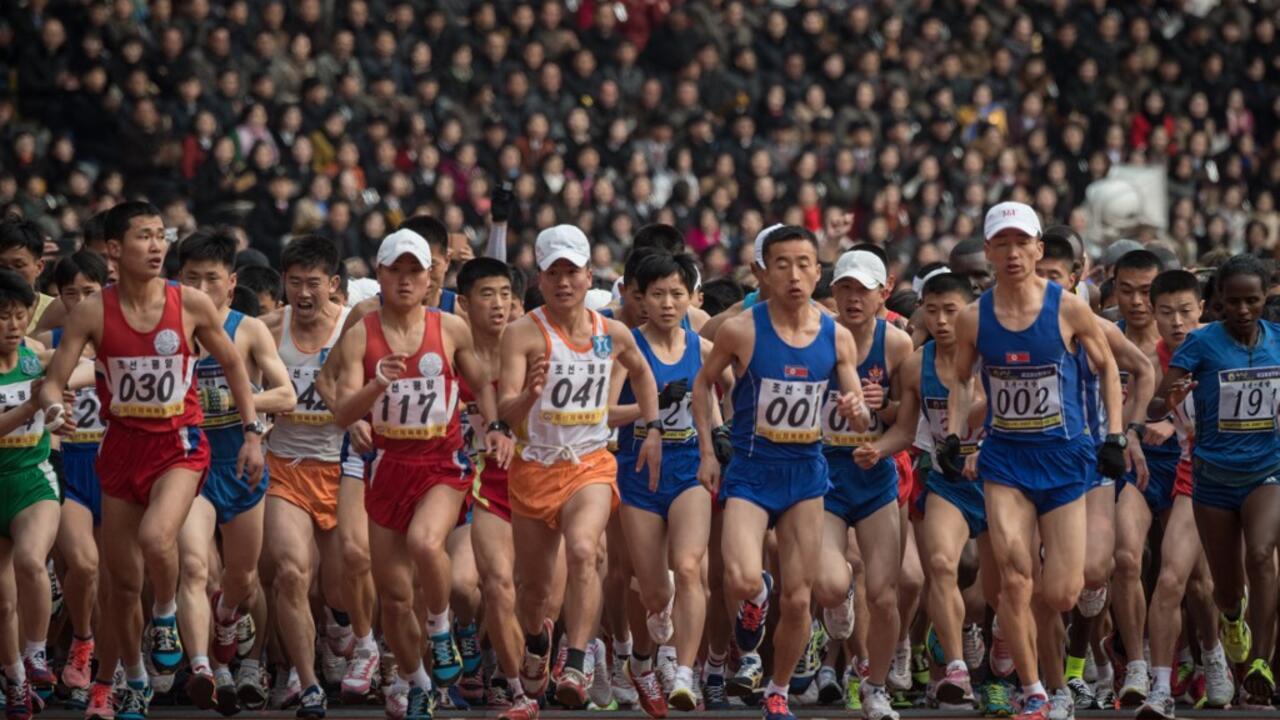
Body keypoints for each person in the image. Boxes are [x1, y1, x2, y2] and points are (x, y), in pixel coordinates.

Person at [39, 201, 266, 720]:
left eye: (161, 235)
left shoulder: (189, 304)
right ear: (115, 250)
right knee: (120, 587)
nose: (157, 245)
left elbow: (233, 367)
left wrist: (253, 433)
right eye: (144, 236)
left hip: (179, 446)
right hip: (121, 448)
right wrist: (53, 406)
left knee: (157, 539)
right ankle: (127, 682)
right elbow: (56, 374)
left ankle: (165, 613)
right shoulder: (94, 311)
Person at [938, 202, 1125, 720]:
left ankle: (1045, 658)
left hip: (1065, 460)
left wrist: (1113, 433)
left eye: (1023, 243)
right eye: (1003, 243)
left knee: (1062, 593)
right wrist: (954, 436)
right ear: (990, 251)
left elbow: (1108, 368)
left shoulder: (1067, 308)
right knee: (1016, 578)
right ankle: (1036, 690)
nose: (1014, 252)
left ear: (1039, 249)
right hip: (1006, 461)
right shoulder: (976, 317)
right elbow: (960, 380)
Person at [331, 227, 514, 720]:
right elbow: (343, 412)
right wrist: (375, 386)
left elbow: (481, 382)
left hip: (441, 463)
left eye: (417, 270)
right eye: (398, 270)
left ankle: (439, 626)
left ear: (430, 275)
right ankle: (415, 681)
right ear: (380, 274)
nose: (407, 279)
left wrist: (496, 425)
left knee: (425, 543)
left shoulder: (449, 329)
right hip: (388, 466)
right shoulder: (360, 335)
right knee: (392, 598)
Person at [692, 225, 871, 720]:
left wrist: (857, 410)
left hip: (805, 475)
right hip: (751, 470)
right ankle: (756, 596)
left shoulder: (835, 334)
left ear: (818, 270)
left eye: (804, 264)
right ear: (762, 272)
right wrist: (709, 452)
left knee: (799, 598)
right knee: (741, 575)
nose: (794, 275)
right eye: (782, 264)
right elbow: (702, 386)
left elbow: (852, 394)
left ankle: (778, 687)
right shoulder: (742, 329)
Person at [497, 225, 663, 709]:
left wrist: (652, 429)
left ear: (590, 275)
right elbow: (504, 410)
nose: (564, 282)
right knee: (533, 591)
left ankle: (575, 659)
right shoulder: (522, 334)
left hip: (590, 462)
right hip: (534, 466)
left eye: (573, 272)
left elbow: (643, 374)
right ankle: (536, 643)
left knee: (586, 550)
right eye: (554, 273)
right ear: (540, 278)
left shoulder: (611, 332)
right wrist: (528, 394)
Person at [856, 272, 994, 707]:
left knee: (1005, 582)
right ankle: (955, 666)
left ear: (969, 310)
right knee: (938, 563)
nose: (941, 321)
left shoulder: (995, 356)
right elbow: (905, 429)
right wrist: (878, 450)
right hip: (947, 480)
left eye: (950, 311)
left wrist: (981, 435)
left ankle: (1004, 658)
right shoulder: (916, 364)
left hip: (999, 478)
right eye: (931, 311)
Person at [1033, 232, 1154, 718]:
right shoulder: (1008, 324)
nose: (1045, 287)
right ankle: (1054, 685)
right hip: (1033, 462)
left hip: (1091, 461)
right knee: (1039, 579)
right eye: (1040, 277)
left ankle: (1081, 657)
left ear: (1077, 276)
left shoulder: (1094, 326)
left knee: (1094, 571)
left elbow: (1144, 370)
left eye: (1055, 278)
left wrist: (1126, 431)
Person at [174, 228, 295, 711]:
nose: (201, 288)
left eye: (211, 279)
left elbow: (286, 395)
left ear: (231, 281)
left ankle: (226, 618)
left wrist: (234, 399)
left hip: (241, 462)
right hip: (189, 464)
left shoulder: (248, 329)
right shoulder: (169, 330)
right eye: (190, 278)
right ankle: (203, 665)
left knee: (242, 579)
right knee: (193, 566)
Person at [1155, 254, 1280, 707]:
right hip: (1212, 477)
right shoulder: (1202, 344)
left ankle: (1262, 661)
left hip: (1267, 470)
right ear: (1218, 302)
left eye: (1253, 300)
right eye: (1234, 302)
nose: (1244, 310)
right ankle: (1232, 616)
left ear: (1265, 297)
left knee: (1264, 554)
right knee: (1225, 589)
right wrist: (1168, 397)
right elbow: (1154, 404)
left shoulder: (1279, 341)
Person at [611, 251, 728, 712]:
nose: (667, 303)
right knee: (655, 590)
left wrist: (714, 445)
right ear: (639, 297)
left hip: (688, 467)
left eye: (677, 293)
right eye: (657, 293)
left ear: (690, 297)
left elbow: (710, 404)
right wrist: (652, 404)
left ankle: (683, 672)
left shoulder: (700, 346)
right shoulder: (628, 347)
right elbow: (602, 413)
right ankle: (642, 662)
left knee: (691, 565)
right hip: (638, 469)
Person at [813, 249, 912, 720]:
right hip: (822, 473)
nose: (854, 298)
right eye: (845, 288)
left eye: (864, 289)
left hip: (873, 476)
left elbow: (906, 426)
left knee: (886, 593)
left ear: (883, 294)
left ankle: (875, 687)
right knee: (832, 584)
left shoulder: (896, 345)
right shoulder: (813, 336)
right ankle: (839, 604)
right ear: (832, 292)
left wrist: (881, 431)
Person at [260, 234, 353, 718]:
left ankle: (341, 626)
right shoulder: (267, 329)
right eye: (294, 283)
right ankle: (309, 682)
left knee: (339, 589)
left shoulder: (351, 331)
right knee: (292, 574)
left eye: (314, 283)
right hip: (286, 470)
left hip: (343, 470)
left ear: (334, 284)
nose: (304, 294)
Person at [1137, 269, 1234, 718]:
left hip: (1243, 477)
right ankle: (1160, 687)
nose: (1177, 322)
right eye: (1166, 312)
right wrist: (1158, 423)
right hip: (1191, 477)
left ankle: (1216, 649)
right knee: (1173, 579)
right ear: (1153, 315)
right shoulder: (1151, 361)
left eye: (1186, 311)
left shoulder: (1225, 347)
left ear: (1203, 310)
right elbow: (1138, 414)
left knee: (1205, 586)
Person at [453, 257, 541, 720]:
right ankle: (482, 652)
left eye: (506, 294)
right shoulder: (449, 349)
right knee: (476, 585)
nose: (499, 304)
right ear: (464, 304)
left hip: (531, 484)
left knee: (528, 595)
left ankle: (523, 661)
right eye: (487, 295)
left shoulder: (533, 348)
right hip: (464, 484)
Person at [0, 269, 81, 720]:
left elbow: (78, 370)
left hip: (33, 477)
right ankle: (13, 680)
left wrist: (55, 403)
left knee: (32, 560)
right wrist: (31, 406)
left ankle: (35, 653)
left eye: (19, 316)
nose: (13, 325)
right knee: (2, 601)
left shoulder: (36, 356)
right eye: (3, 318)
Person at [38, 251, 109, 703]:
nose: (81, 301)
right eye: (71, 293)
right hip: (71, 464)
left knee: (119, 577)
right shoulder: (51, 339)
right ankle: (81, 642)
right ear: (58, 298)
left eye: (90, 292)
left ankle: (113, 669)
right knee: (82, 566)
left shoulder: (121, 336)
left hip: (116, 463)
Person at [0, 217, 58, 333]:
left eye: (19, 265)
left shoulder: (56, 310)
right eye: (2, 266)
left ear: (39, 267)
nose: (10, 274)